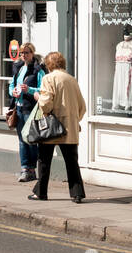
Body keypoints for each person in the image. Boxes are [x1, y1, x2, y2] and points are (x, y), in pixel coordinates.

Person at [29, 51, 88, 204]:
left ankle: (41, 193)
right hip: (70, 127)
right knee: (72, 162)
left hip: (51, 126)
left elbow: (46, 104)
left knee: (44, 161)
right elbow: (82, 106)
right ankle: (77, 194)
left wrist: (38, 97)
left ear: (49, 65)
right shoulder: (71, 79)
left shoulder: (48, 78)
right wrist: (74, 120)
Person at [10, 43, 46, 183]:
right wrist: (12, 92)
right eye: (22, 53)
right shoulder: (19, 68)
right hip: (19, 108)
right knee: (21, 140)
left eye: (27, 52)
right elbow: (12, 85)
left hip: (30, 109)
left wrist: (29, 90)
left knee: (30, 139)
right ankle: (25, 168)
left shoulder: (38, 70)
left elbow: (43, 89)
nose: (24, 55)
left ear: (32, 53)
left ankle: (31, 170)